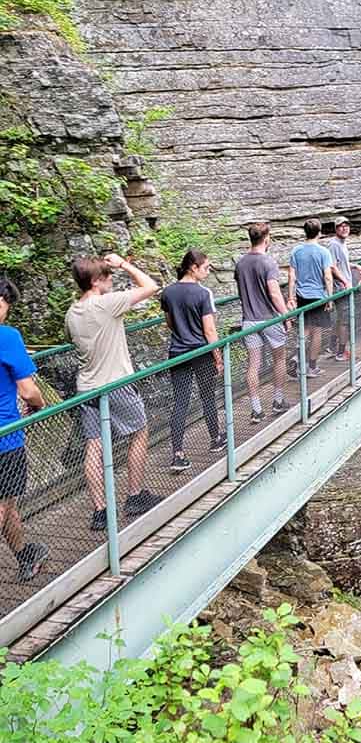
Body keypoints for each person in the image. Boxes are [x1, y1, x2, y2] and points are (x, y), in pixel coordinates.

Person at [65, 254, 161, 531]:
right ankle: (134, 495)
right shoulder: (107, 304)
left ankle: (100, 511)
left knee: (94, 445)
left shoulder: (72, 312)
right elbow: (150, 286)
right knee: (139, 432)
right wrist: (124, 264)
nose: (111, 280)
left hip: (86, 388)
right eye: (107, 276)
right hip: (115, 383)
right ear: (96, 281)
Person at [0, 278, 49, 582]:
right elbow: (29, 391)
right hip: (5, 436)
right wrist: (41, 406)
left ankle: (24, 555)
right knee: (3, 506)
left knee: (8, 504)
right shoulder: (7, 337)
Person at [160, 249, 227, 471]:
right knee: (207, 395)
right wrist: (217, 357)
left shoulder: (168, 292)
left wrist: (182, 332)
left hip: (178, 352)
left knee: (180, 401)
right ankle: (216, 437)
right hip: (200, 351)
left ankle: (177, 453)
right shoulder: (202, 293)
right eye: (206, 268)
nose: (208, 272)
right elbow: (209, 330)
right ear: (193, 268)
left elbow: (169, 322)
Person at [234, 222, 290, 424]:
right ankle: (277, 400)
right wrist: (286, 316)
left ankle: (256, 410)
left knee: (253, 365)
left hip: (249, 321)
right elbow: (274, 293)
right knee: (280, 359)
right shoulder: (268, 262)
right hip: (269, 319)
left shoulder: (240, 263)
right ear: (266, 239)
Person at [287, 218, 333, 377]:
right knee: (317, 332)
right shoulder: (323, 252)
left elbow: (292, 276)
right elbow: (327, 276)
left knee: (304, 329)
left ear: (305, 232)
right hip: (318, 297)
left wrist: (291, 297)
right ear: (319, 232)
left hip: (301, 296)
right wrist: (330, 297)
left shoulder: (296, 251)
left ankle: (296, 358)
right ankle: (311, 367)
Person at [326, 216, 361, 361]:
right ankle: (341, 352)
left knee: (341, 319)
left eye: (346, 226)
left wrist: (355, 266)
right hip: (341, 287)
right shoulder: (334, 244)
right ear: (336, 229)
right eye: (340, 226)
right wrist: (345, 281)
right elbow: (332, 266)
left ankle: (332, 346)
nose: (344, 228)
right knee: (345, 320)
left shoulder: (341, 243)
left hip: (343, 285)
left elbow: (341, 263)